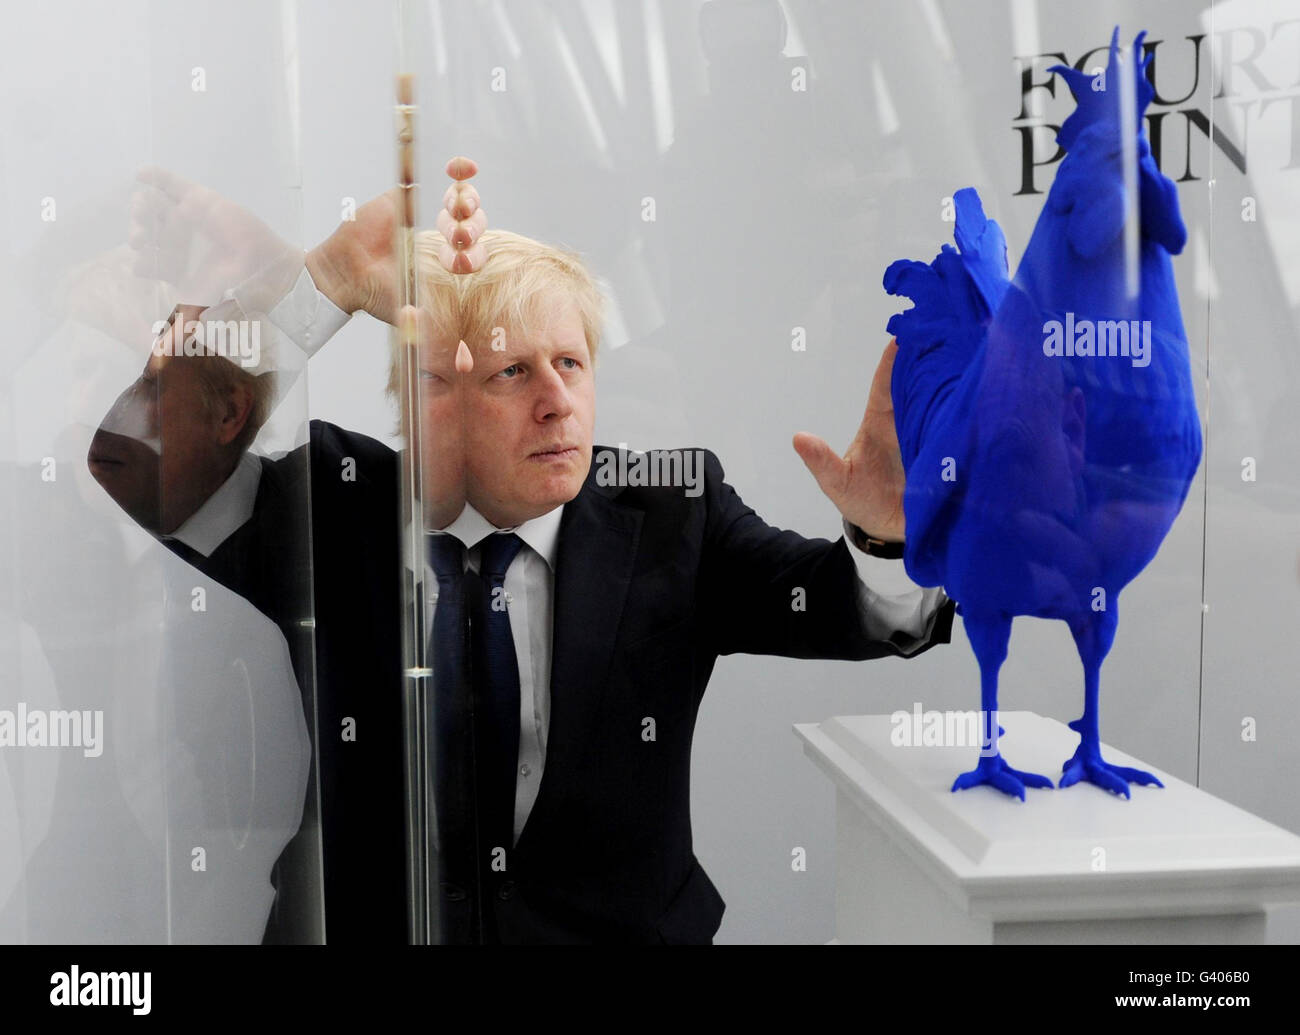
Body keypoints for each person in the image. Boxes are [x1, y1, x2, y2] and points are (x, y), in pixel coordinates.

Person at [91, 157, 955, 943]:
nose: (558, 404)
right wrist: (325, 282)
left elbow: (854, 607)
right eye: (513, 372)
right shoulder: (338, 502)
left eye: (572, 365)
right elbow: (136, 465)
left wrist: (884, 533)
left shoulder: (667, 510)